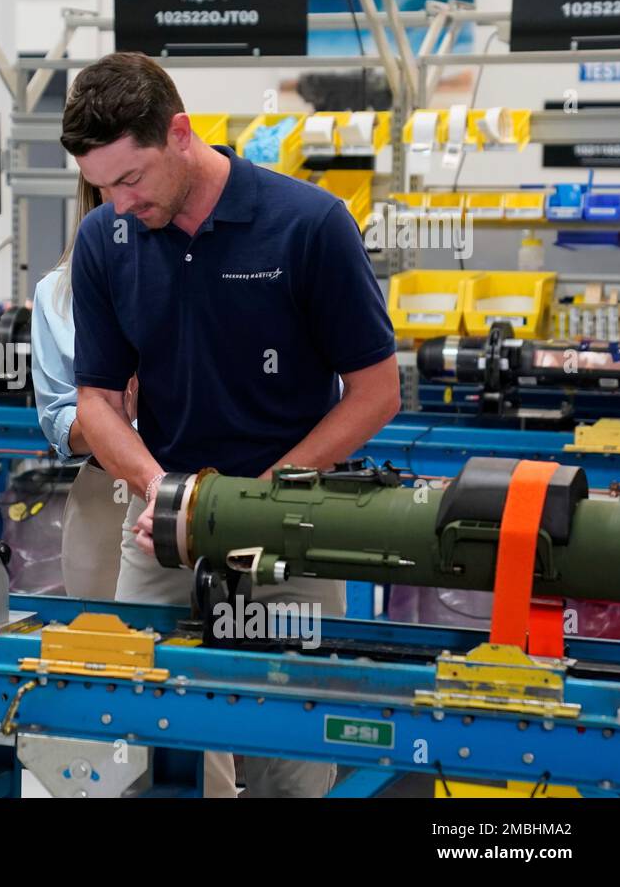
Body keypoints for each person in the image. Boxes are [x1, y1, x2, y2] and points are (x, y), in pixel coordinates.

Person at [64, 52, 401, 797]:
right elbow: (95, 400)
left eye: (130, 180)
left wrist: (261, 498)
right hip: (162, 536)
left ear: (179, 134)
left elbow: (377, 391)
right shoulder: (104, 241)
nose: (117, 204)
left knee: (291, 755)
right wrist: (165, 493)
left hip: (293, 532)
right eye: (101, 186)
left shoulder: (307, 224)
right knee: (146, 744)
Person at [31, 178, 130, 600]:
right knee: (104, 647)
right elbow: (59, 427)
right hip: (109, 491)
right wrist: (114, 406)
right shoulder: (56, 293)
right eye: (116, 179)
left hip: (205, 482)